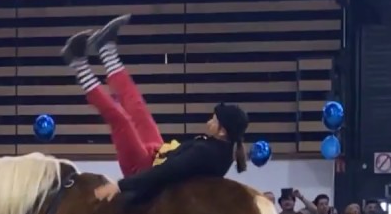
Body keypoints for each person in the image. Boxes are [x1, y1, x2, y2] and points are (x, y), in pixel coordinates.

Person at [62, 15, 250, 203]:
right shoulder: (220, 147)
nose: (209, 122)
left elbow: (166, 172)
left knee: (121, 121)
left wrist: (120, 185)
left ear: (223, 131)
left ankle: (78, 63)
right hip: (158, 155)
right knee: (138, 109)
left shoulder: (207, 154)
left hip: (144, 169)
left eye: (214, 120)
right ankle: (106, 49)